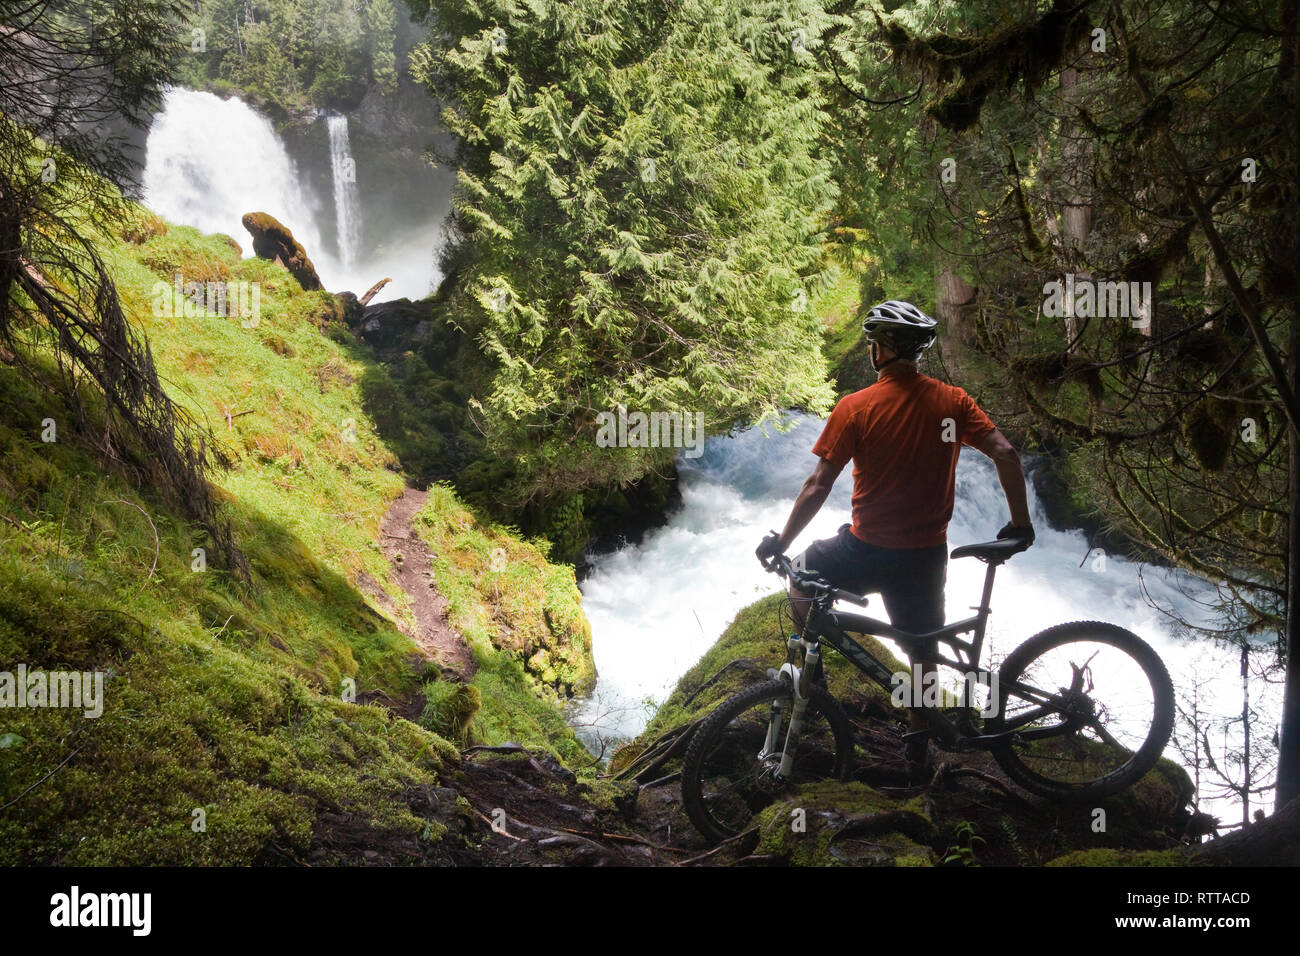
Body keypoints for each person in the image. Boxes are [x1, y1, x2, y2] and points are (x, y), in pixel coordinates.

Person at [755, 299, 1034, 772]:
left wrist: (780, 541)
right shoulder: (952, 402)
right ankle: (917, 746)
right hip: (924, 558)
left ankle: (810, 676)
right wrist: (1020, 524)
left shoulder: (856, 407)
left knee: (801, 573)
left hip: (863, 551)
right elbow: (1006, 453)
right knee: (923, 652)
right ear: (916, 352)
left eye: (872, 343)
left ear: (880, 351)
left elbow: (818, 485)